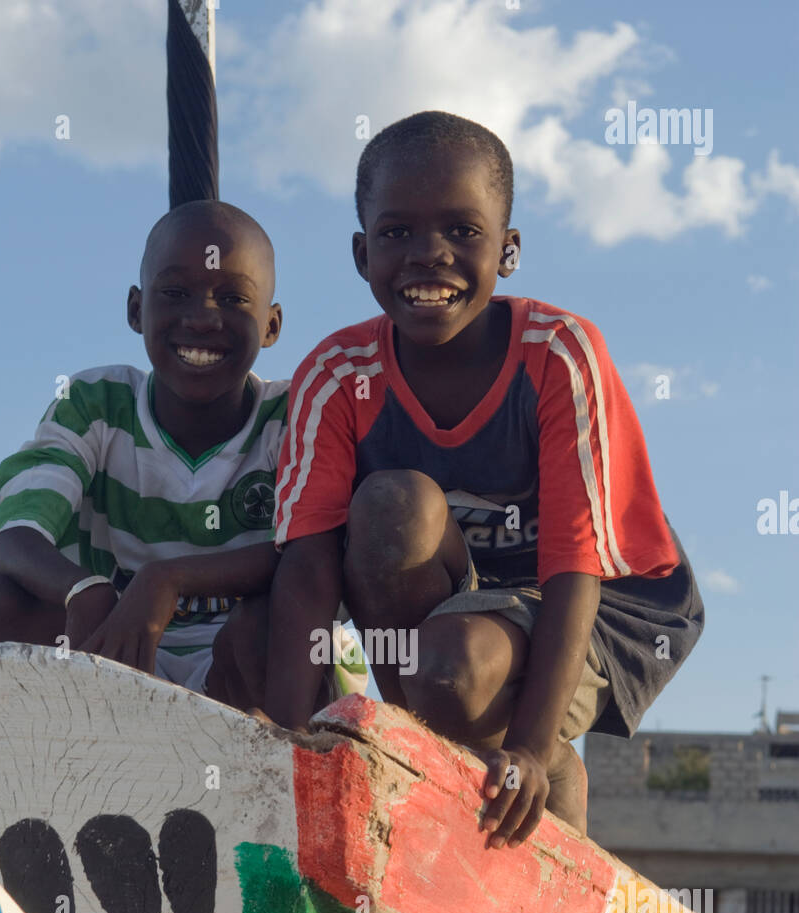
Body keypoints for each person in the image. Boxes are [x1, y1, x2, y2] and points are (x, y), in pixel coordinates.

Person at [266, 111, 703, 847]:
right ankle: (429, 758)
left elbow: (573, 563)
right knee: (391, 508)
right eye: (398, 233)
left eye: (462, 232)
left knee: (456, 669)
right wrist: (279, 739)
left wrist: (529, 748)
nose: (428, 255)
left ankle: (548, 773)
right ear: (360, 252)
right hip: (458, 599)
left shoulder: (558, 355)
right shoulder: (338, 377)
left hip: (600, 606)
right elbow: (308, 567)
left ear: (509, 250)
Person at [0, 199, 287, 709]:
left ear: (272, 325)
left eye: (233, 298)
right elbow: (14, 537)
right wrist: (83, 589)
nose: (202, 318)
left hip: (240, 663)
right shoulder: (95, 403)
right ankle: (55, 763)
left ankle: (262, 762)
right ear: (134, 308)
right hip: (112, 645)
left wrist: (169, 579)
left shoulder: (292, 415)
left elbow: (314, 555)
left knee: (275, 627)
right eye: (174, 292)